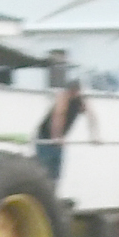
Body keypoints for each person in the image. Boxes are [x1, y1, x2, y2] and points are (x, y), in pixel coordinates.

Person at [34, 57, 91, 185]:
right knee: (43, 170)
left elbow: (92, 116)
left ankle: (52, 196)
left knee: (55, 173)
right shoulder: (63, 97)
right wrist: (56, 137)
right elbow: (58, 116)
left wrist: (95, 135)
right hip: (46, 137)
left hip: (59, 139)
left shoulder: (80, 99)